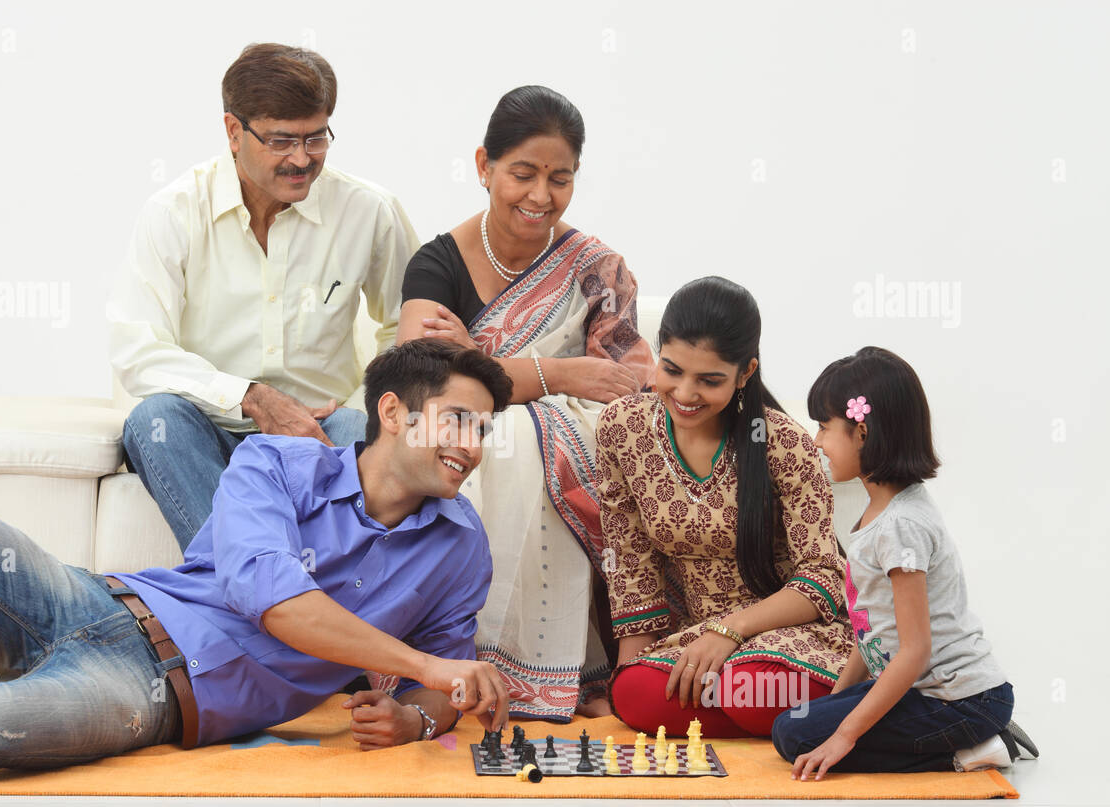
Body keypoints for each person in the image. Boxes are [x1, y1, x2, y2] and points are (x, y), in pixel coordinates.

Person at [0, 340, 512, 778]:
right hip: (87, 600)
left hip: (148, 696)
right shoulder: (277, 462)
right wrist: (425, 669)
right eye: (459, 420)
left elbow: (443, 673)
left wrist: (415, 718)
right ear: (394, 413)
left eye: (484, 429)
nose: (473, 444)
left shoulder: (459, 548)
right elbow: (272, 598)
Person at [395, 86, 655, 721]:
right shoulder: (437, 265)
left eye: (559, 178)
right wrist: (560, 373)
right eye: (524, 174)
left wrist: (487, 369)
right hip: (464, 430)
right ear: (484, 166)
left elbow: (622, 387)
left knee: (529, 437)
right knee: (499, 438)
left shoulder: (596, 268)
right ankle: (460, 664)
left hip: (563, 439)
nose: (541, 195)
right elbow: (423, 383)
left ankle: (560, 675)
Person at [110, 42, 420, 551]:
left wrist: (357, 402)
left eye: (316, 138)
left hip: (323, 426)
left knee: (372, 432)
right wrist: (252, 398)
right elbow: (136, 348)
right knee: (154, 420)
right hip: (209, 426)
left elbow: (407, 325)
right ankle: (255, 586)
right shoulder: (173, 213)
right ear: (234, 132)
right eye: (281, 141)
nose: (302, 159)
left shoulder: (370, 211)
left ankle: (251, 597)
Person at [601, 277, 851, 737]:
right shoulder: (623, 428)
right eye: (672, 370)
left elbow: (823, 576)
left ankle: (811, 705)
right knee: (636, 693)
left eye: (709, 380)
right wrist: (628, 677)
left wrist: (730, 631)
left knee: (749, 685)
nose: (685, 393)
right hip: (700, 646)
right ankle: (802, 716)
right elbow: (630, 563)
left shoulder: (783, 444)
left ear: (745, 372)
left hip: (788, 635)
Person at [772, 347, 1037, 778]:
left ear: (862, 432)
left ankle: (979, 745)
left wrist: (841, 734)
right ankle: (970, 736)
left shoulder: (900, 525)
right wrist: (832, 706)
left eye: (823, 427)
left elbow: (914, 650)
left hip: (960, 700)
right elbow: (871, 631)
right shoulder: (878, 513)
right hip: (924, 691)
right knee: (797, 725)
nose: (816, 441)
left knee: (795, 736)